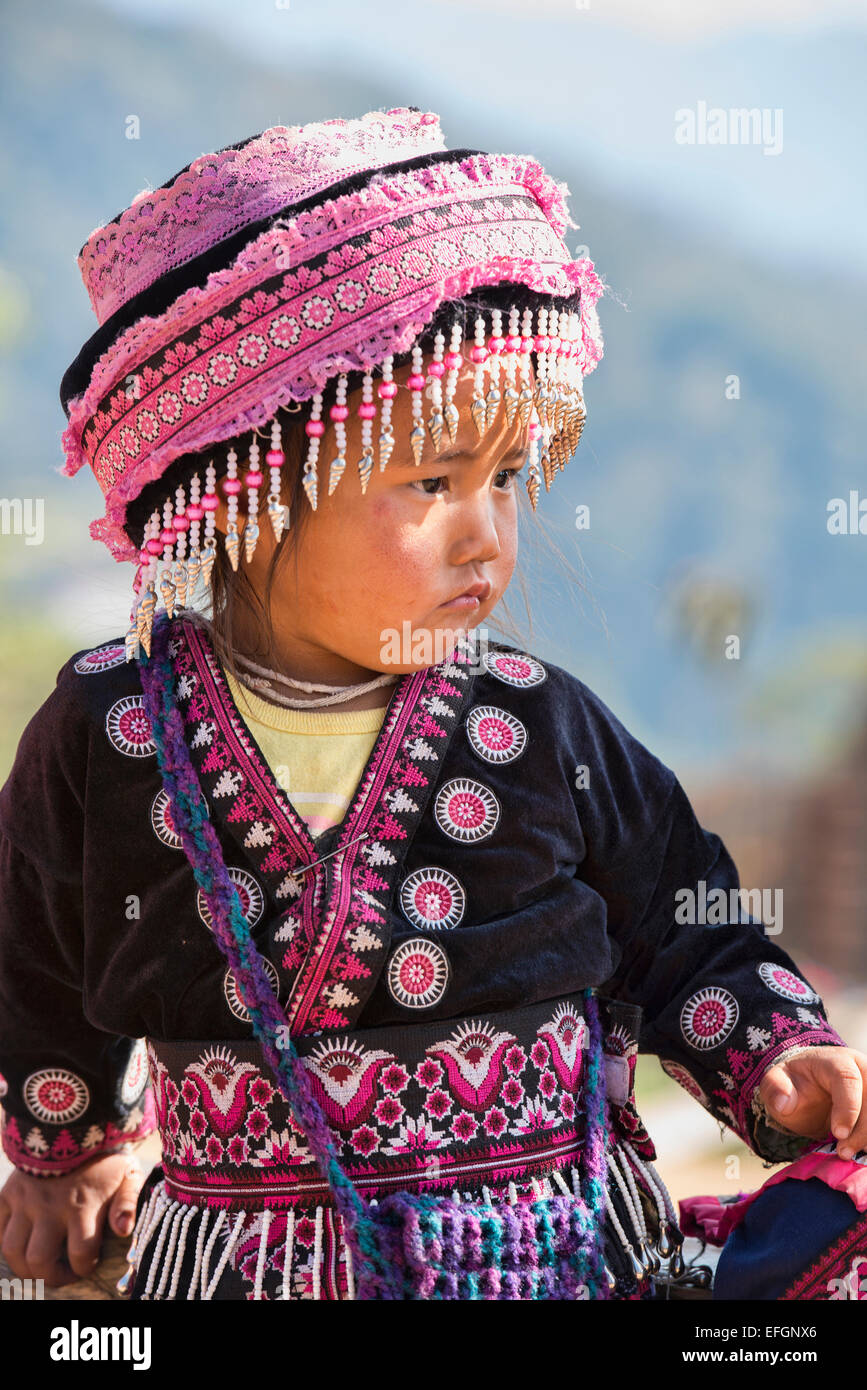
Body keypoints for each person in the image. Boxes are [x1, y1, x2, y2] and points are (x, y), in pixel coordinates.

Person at [0, 107, 864, 1301]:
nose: (490, 535)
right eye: (432, 480)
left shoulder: (540, 723)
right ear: (251, 483)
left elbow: (685, 920)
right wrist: (69, 1151)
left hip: (556, 1258)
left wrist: (775, 1056)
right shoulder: (108, 737)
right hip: (242, 1270)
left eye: (509, 477)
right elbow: (32, 959)